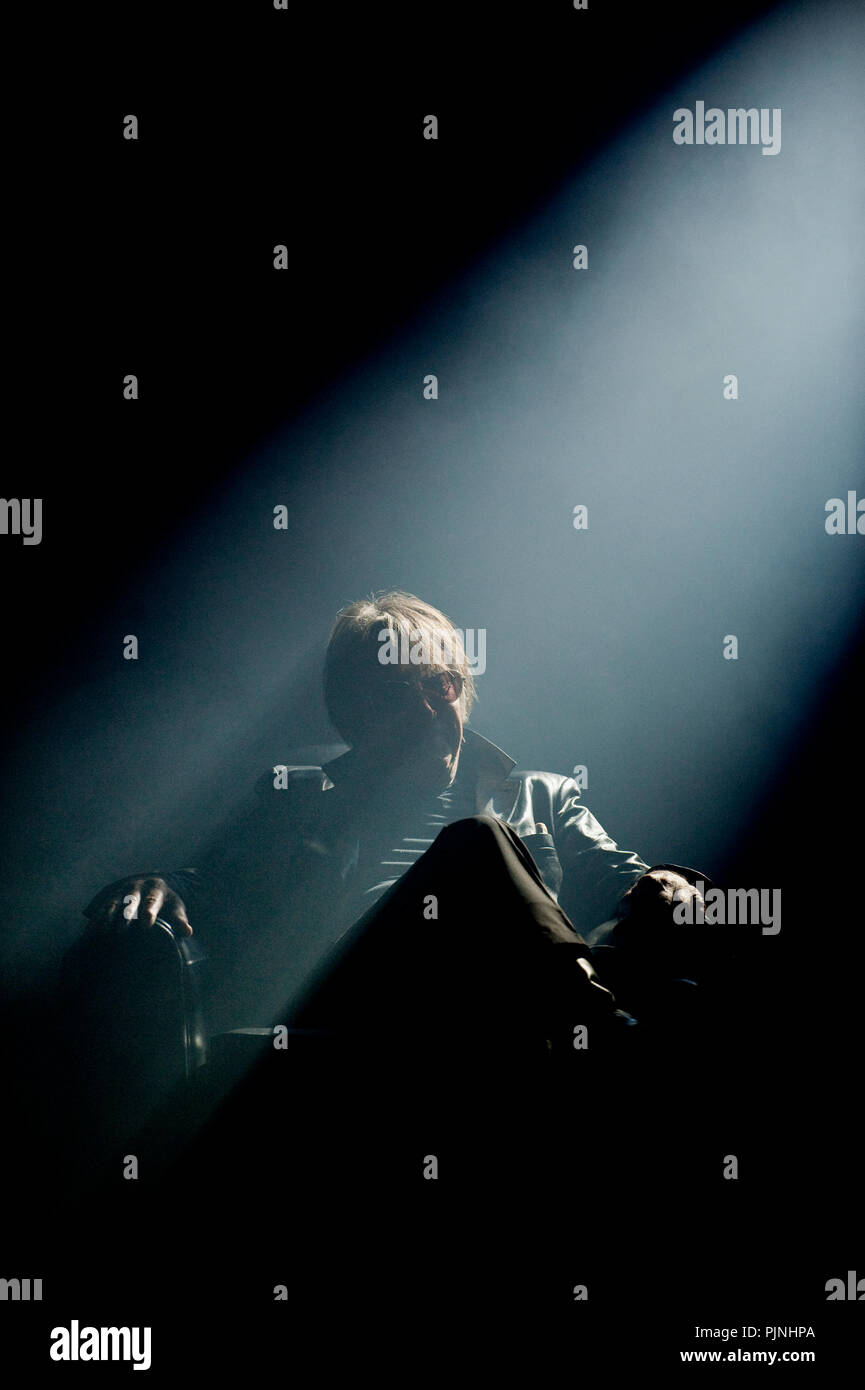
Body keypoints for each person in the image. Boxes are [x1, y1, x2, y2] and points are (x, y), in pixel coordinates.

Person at [77, 591, 711, 1059]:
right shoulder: (299, 799)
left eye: (442, 684)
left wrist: (675, 883)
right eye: (397, 695)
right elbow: (213, 880)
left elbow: (629, 880)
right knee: (476, 840)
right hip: (362, 991)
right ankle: (600, 1026)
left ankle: (585, 1020)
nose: (430, 710)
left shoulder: (544, 795)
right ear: (352, 715)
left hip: (490, 995)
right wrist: (155, 884)